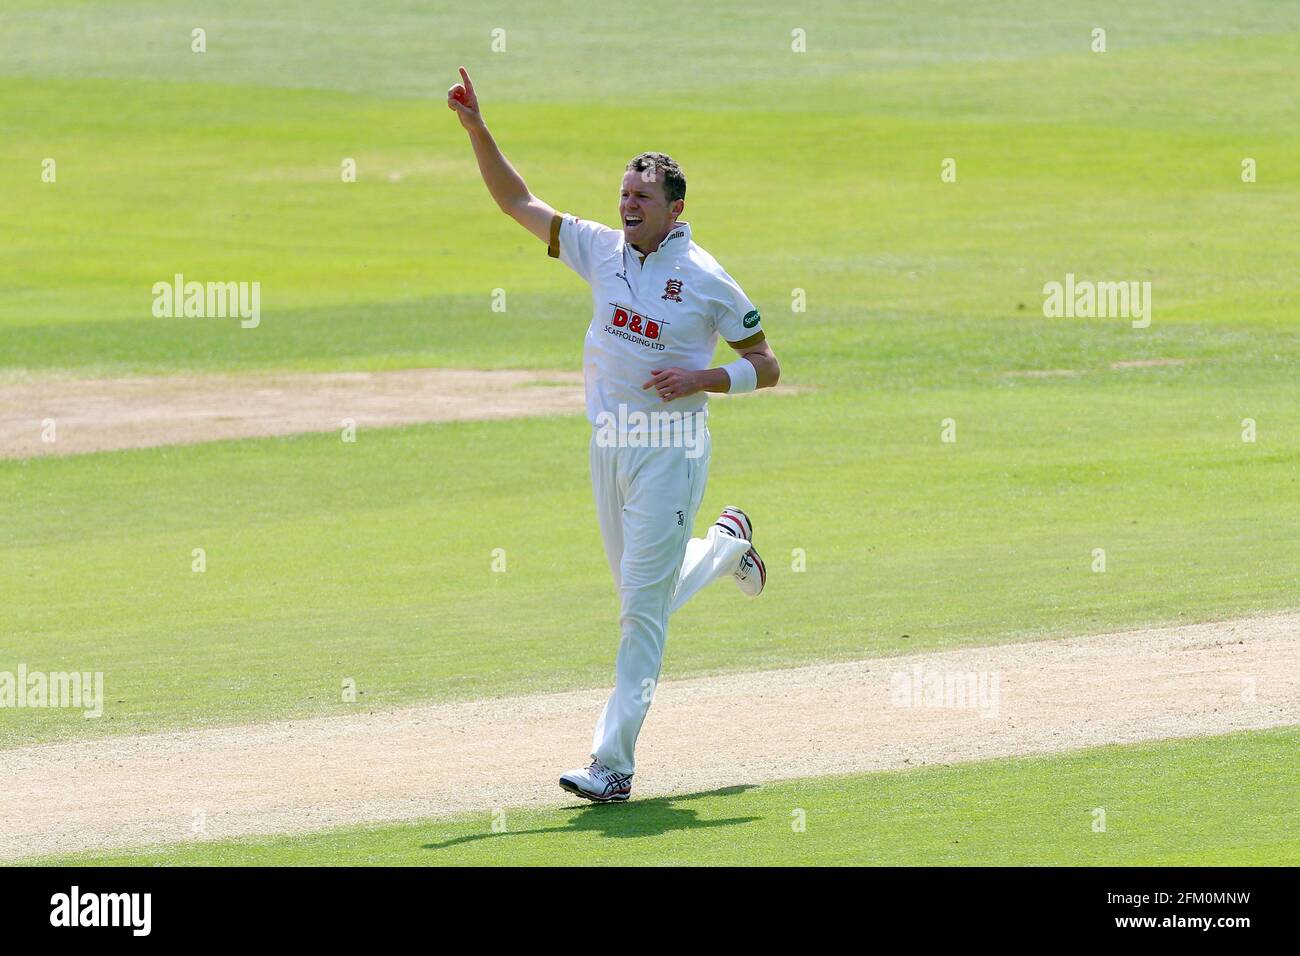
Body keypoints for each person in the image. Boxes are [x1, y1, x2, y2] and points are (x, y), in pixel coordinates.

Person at [448, 67, 780, 802]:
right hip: (609, 447)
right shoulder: (599, 248)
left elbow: (768, 365)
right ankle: (727, 546)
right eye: (624, 193)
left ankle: (613, 765)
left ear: (675, 209)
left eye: (643, 197)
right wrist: (477, 129)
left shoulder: (705, 278)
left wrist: (705, 380)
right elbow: (516, 201)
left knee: (639, 611)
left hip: (673, 451)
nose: (628, 205)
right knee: (642, 597)